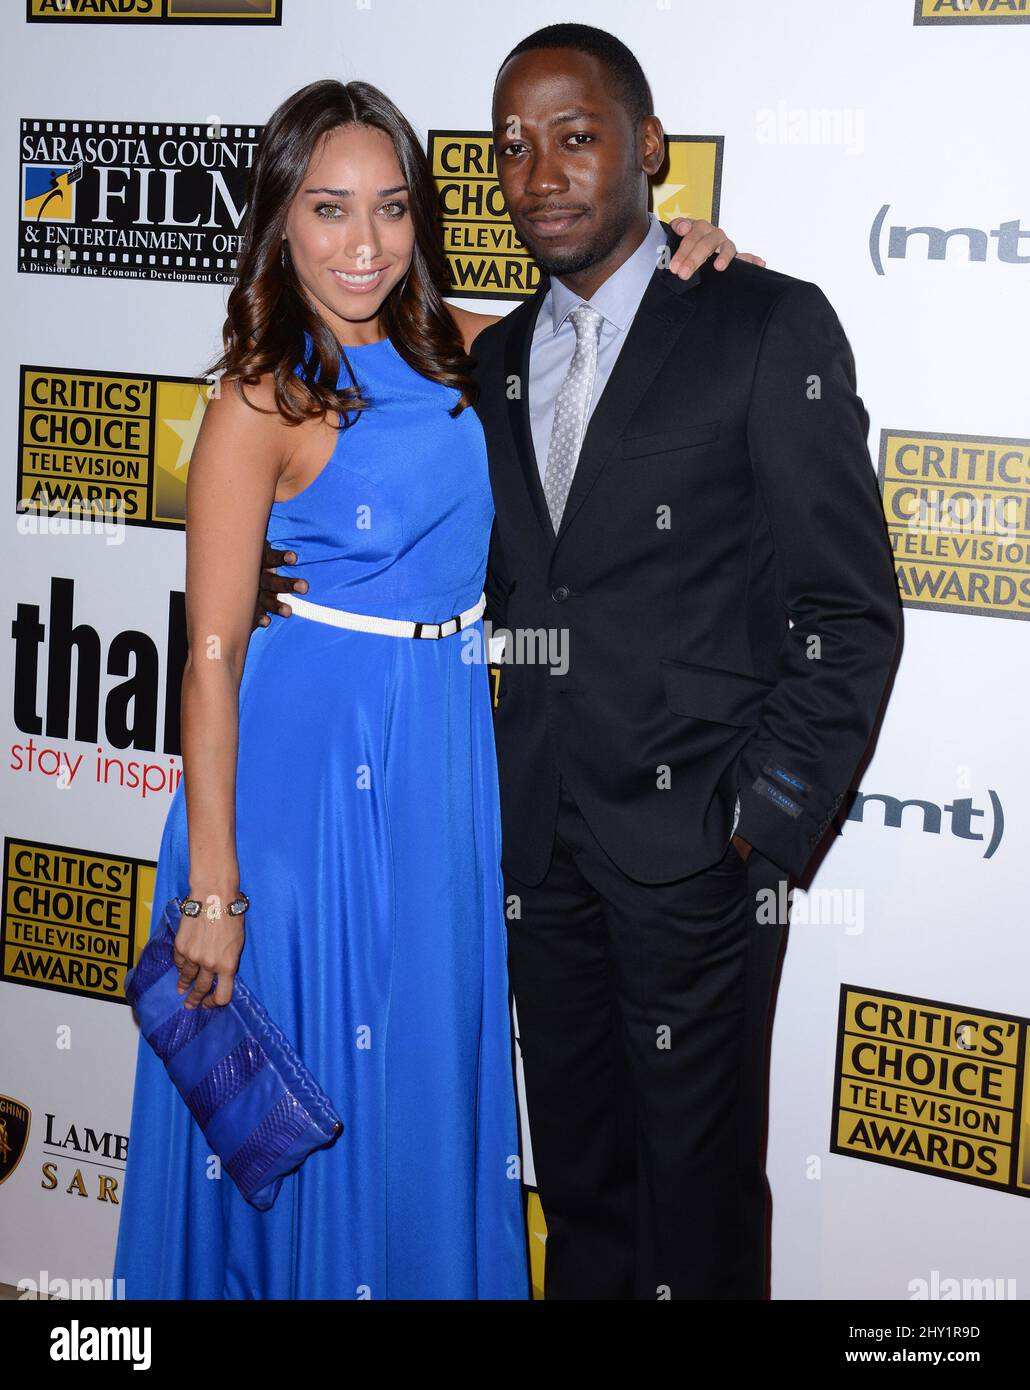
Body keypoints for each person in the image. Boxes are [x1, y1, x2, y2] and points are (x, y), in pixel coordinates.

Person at [263, 23, 902, 1301]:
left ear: (648, 148)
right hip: (535, 854)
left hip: (700, 867)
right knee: (584, 1191)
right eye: (511, 145)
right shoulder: (478, 364)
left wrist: (759, 831)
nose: (540, 169)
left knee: (701, 1202)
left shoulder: (762, 323)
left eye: (574, 133)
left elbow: (849, 612)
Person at [113, 72, 749, 1301]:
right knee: (312, 1096)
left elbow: (605, 332)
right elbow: (213, 654)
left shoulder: (465, 345)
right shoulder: (258, 396)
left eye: (390, 208)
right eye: (329, 209)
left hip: (447, 762)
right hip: (307, 790)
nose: (363, 244)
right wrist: (212, 887)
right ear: (280, 221)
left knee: (423, 1079)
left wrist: (692, 251)